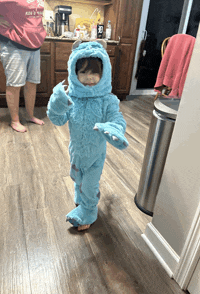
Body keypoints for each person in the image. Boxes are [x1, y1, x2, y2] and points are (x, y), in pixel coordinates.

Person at [47, 40, 129, 231]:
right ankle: (81, 195)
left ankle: (88, 212)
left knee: (90, 186)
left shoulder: (106, 100)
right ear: (74, 73)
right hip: (76, 151)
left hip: (95, 155)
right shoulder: (72, 98)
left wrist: (114, 129)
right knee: (78, 178)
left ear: (104, 72)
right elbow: (58, 120)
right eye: (83, 72)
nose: (88, 77)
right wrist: (57, 104)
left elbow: (116, 118)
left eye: (94, 72)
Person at [0, 0, 46, 132]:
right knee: (15, 84)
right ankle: (14, 121)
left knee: (32, 82)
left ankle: (30, 115)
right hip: (13, 42)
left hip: (35, 44)